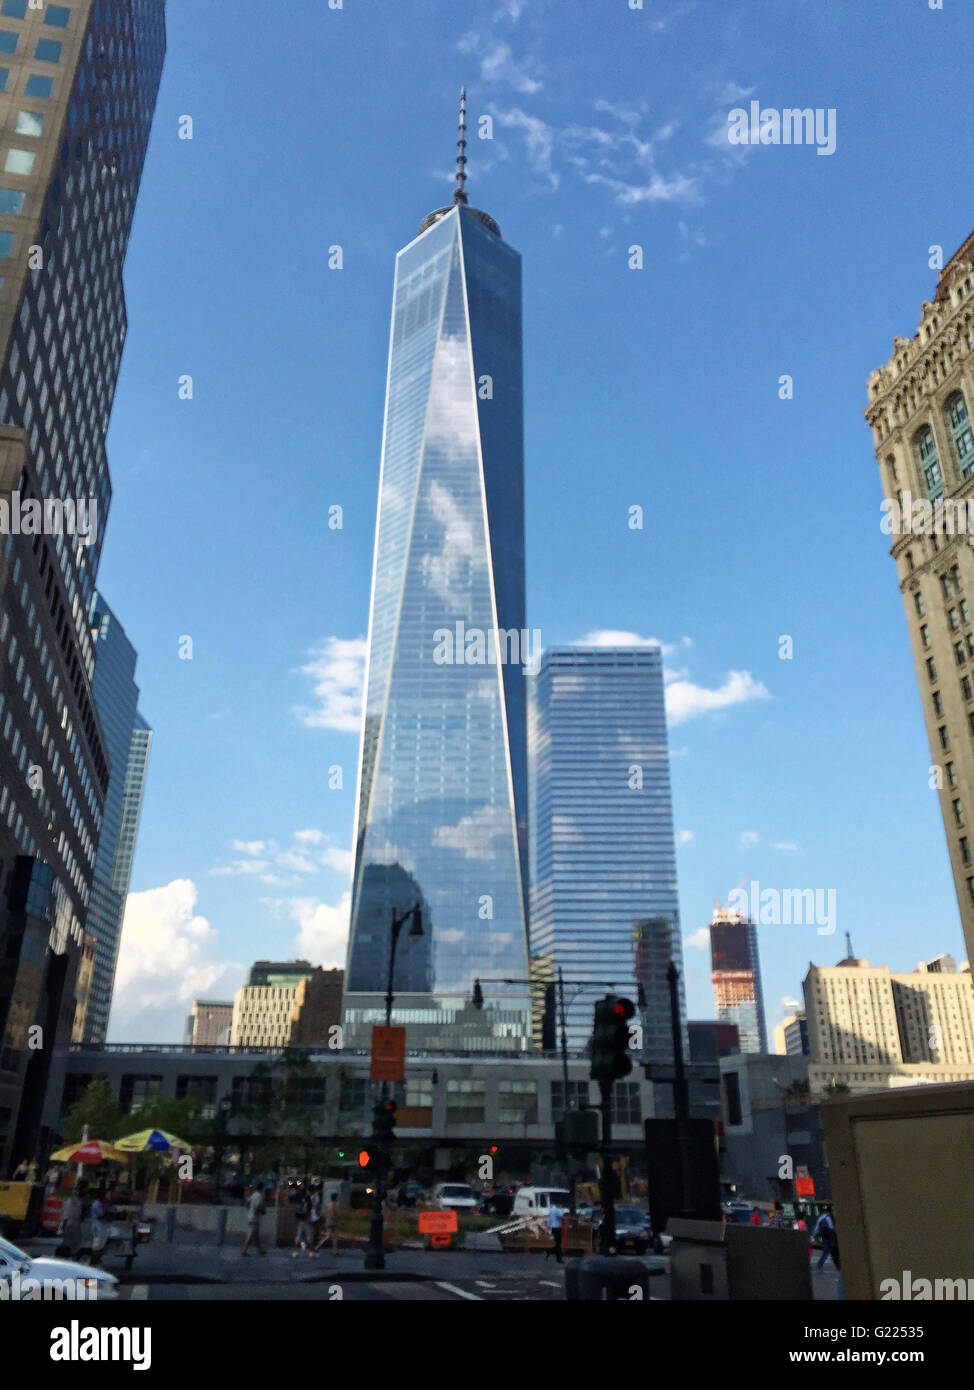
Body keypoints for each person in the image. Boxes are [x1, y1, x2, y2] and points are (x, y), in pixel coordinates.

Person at [241, 1180, 267, 1256]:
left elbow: (247, 1203)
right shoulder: (259, 1196)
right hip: (254, 1219)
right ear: (262, 1188)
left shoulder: (253, 1195)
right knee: (250, 1235)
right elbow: (257, 1207)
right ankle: (244, 1250)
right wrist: (263, 1211)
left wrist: (249, 1210)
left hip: (251, 1217)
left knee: (256, 1236)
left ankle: (260, 1250)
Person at [293, 1186, 313, 1257]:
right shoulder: (306, 1197)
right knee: (309, 1235)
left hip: (299, 1219)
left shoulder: (297, 1197)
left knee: (299, 1235)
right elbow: (306, 1208)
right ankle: (310, 1252)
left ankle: (295, 1251)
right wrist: (308, 1217)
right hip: (305, 1219)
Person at [546, 1200, 565, 1264]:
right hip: (557, 1227)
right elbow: (561, 1215)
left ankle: (550, 1251)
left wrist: (548, 1225)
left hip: (553, 1227)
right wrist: (562, 1209)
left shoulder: (551, 1210)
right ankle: (557, 1257)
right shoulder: (556, 1210)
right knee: (558, 1243)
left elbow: (549, 1219)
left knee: (557, 1242)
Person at [307, 1182, 321, 1256]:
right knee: (315, 1232)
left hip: (312, 1214)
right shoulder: (316, 1197)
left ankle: (312, 1247)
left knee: (313, 1232)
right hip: (314, 1215)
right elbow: (317, 1206)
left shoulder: (311, 1197)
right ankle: (313, 1247)